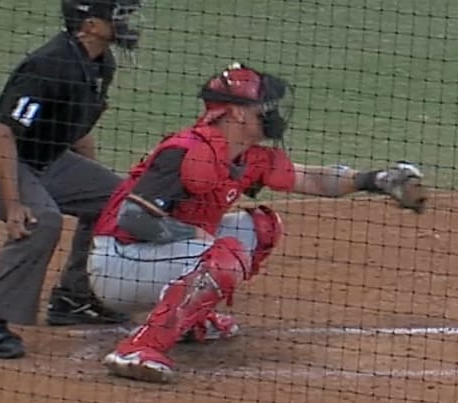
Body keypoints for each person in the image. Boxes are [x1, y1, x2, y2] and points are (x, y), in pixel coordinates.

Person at [90, 64, 428, 383]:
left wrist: (376, 180)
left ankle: (188, 321)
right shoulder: (186, 150)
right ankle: (137, 349)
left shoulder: (244, 155)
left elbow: (313, 179)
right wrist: (191, 235)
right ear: (238, 113)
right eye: (264, 106)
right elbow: (133, 218)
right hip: (119, 263)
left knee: (260, 228)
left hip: (154, 257)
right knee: (225, 254)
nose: (273, 113)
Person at [0, 0, 147, 359]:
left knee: (116, 199)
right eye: (118, 15)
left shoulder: (100, 63)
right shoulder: (48, 65)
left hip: (44, 158)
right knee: (40, 220)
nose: (127, 23)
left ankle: (75, 298)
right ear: (90, 24)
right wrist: (14, 204)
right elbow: (3, 133)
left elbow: (79, 127)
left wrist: (94, 186)